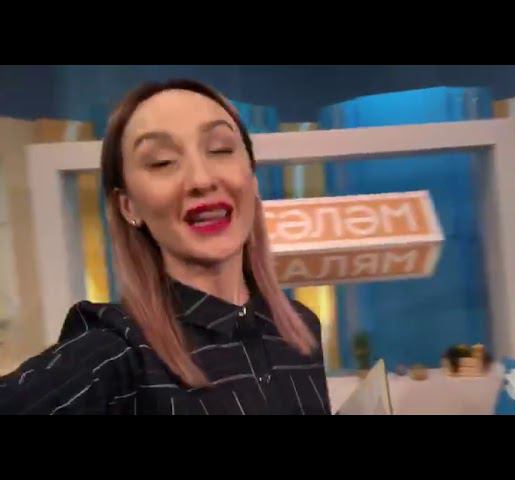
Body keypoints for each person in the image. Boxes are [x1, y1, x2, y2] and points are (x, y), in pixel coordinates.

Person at [0, 79, 331, 415]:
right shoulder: (116, 351)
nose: (201, 179)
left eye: (220, 149)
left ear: (252, 178)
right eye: (161, 161)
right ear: (129, 206)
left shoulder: (300, 329)